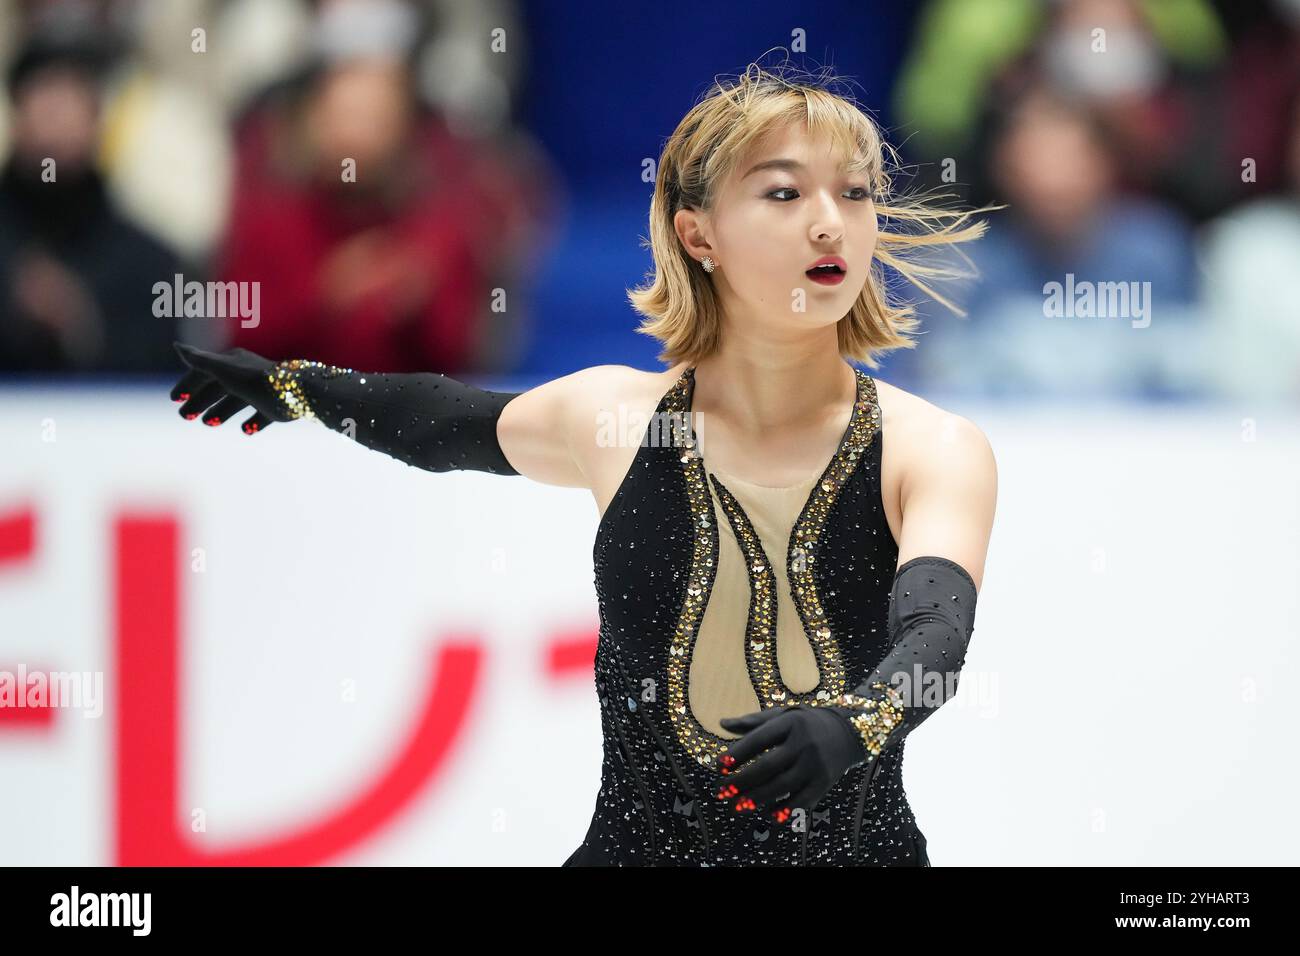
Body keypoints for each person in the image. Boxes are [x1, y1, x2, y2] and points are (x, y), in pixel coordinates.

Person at [167, 60, 999, 867]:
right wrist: (297, 386)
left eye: (853, 193)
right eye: (784, 192)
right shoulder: (616, 418)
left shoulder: (929, 447)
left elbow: (937, 632)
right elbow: (444, 422)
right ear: (697, 232)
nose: (830, 223)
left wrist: (854, 722)